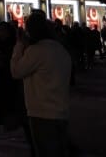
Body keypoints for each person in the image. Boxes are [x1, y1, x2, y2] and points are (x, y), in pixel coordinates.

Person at [11, 9, 72, 157]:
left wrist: (19, 45)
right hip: (61, 111)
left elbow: (16, 71)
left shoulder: (37, 51)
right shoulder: (61, 50)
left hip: (42, 113)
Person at [0, 21, 34, 157]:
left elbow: (18, 64)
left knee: (24, 120)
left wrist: (1, 65)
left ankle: (34, 150)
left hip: (14, 85)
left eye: (4, 30)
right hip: (1, 85)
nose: (1, 33)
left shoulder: (16, 45)